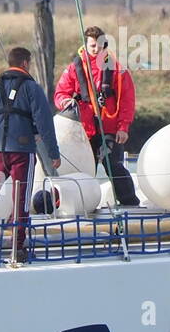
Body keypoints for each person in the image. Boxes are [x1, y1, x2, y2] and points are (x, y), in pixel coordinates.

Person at [0, 46, 61, 258]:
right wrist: (53, 153)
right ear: (25, 64)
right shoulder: (32, 89)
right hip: (22, 153)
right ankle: (18, 245)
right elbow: (45, 122)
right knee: (20, 198)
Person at [54, 25, 139, 207]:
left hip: (108, 128)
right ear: (86, 45)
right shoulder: (73, 69)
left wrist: (123, 127)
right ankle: (76, 205)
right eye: (92, 46)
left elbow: (127, 101)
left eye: (99, 47)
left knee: (113, 164)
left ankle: (130, 204)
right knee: (82, 171)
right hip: (82, 132)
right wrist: (65, 102)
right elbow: (60, 93)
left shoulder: (118, 70)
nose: (96, 50)